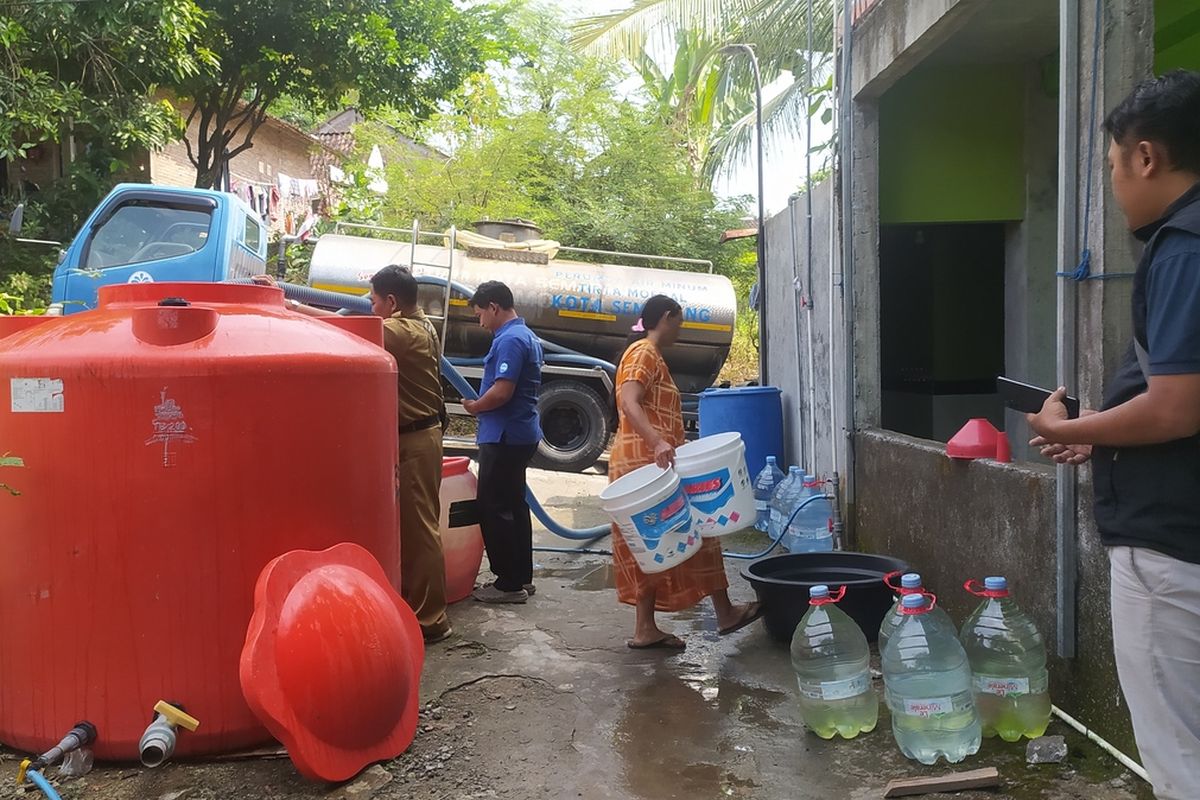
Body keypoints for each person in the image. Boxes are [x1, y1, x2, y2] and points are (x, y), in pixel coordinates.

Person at [1026, 70, 1200, 800]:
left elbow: (1176, 407)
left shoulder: (1184, 247)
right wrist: (1104, 438)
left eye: (1114, 167)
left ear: (1147, 157)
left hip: (1171, 543)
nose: (1118, 185)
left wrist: (1068, 424)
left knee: (1178, 751)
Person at [254, 267, 452, 643]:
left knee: (419, 528)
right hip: (415, 437)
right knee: (412, 527)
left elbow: (340, 328)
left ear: (391, 302)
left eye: (374, 300)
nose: (371, 306)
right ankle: (417, 606)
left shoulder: (404, 333)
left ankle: (431, 619)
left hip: (417, 440)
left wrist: (288, 303)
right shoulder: (418, 323)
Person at [609, 295, 761, 650]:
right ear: (666, 317)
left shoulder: (648, 353)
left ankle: (656, 626)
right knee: (668, 538)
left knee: (663, 540)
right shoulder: (644, 352)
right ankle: (716, 614)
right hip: (646, 463)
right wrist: (659, 442)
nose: (682, 327)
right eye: (679, 319)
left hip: (652, 464)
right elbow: (629, 402)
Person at [462, 281, 543, 604]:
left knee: (493, 507)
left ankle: (508, 584)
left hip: (504, 434)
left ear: (494, 307)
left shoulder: (510, 339)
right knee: (514, 504)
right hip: (519, 433)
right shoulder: (526, 336)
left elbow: (503, 391)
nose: (480, 321)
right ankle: (521, 576)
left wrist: (475, 406)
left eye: (481, 313)